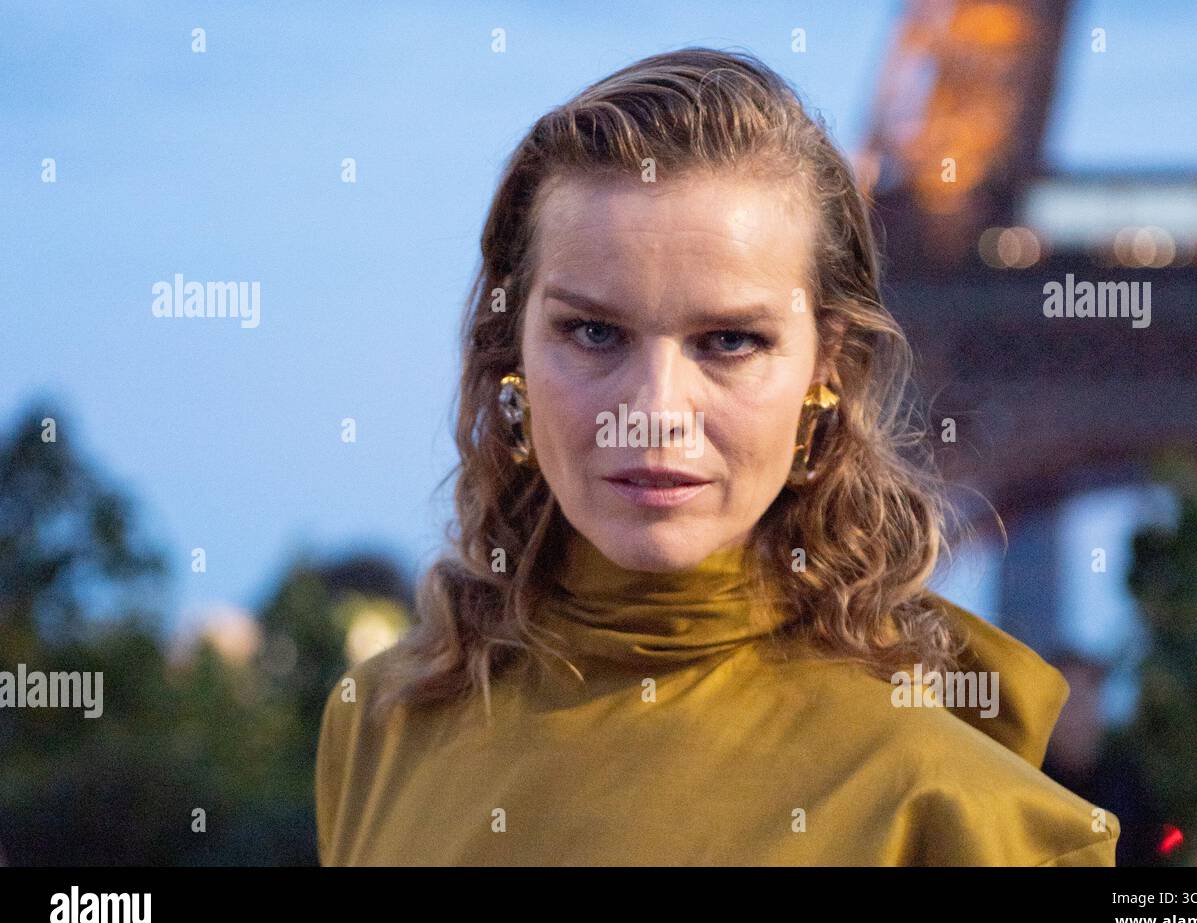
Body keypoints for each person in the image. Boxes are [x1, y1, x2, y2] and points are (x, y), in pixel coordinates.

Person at [314, 47, 1120, 866]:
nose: (655, 414)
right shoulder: (377, 724)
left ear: (826, 369)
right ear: (509, 345)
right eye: (593, 332)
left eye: (729, 340)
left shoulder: (965, 818)